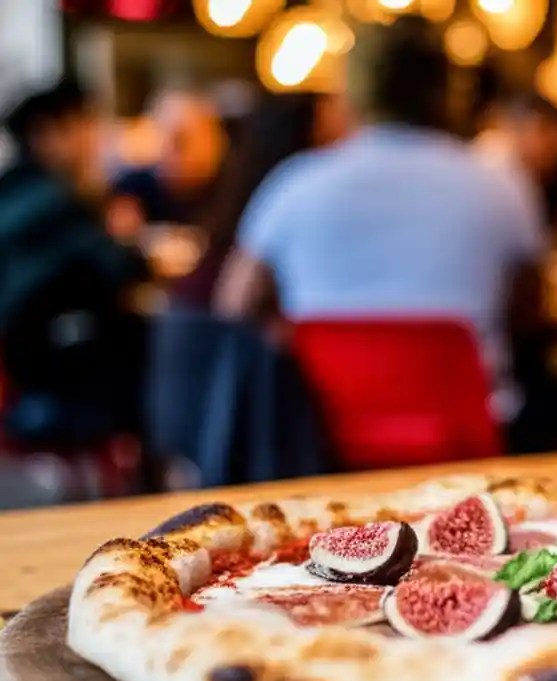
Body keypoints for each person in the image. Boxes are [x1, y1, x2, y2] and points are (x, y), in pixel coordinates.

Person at [215, 17, 541, 421]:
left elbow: (234, 302)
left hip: (325, 431)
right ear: (447, 89)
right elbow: (527, 313)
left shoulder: (297, 183)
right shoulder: (500, 186)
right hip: (465, 430)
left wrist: (307, 341)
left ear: (352, 92)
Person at [0, 79, 151, 444]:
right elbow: (120, 269)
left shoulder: (16, 189)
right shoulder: (51, 199)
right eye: (84, 126)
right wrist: (122, 234)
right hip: (48, 377)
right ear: (45, 135)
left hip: (26, 366)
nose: (93, 139)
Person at [170, 92, 349, 310]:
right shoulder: (288, 190)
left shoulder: (251, 203)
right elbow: (235, 300)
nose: (347, 149)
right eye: (332, 138)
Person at [106, 90, 226, 239]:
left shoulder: (232, 191)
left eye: (181, 141)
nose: (170, 150)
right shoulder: (133, 189)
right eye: (165, 138)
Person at [474, 92, 557, 242]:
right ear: (516, 129)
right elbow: (527, 248)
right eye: (544, 132)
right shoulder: (495, 164)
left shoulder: (551, 175)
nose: (554, 148)